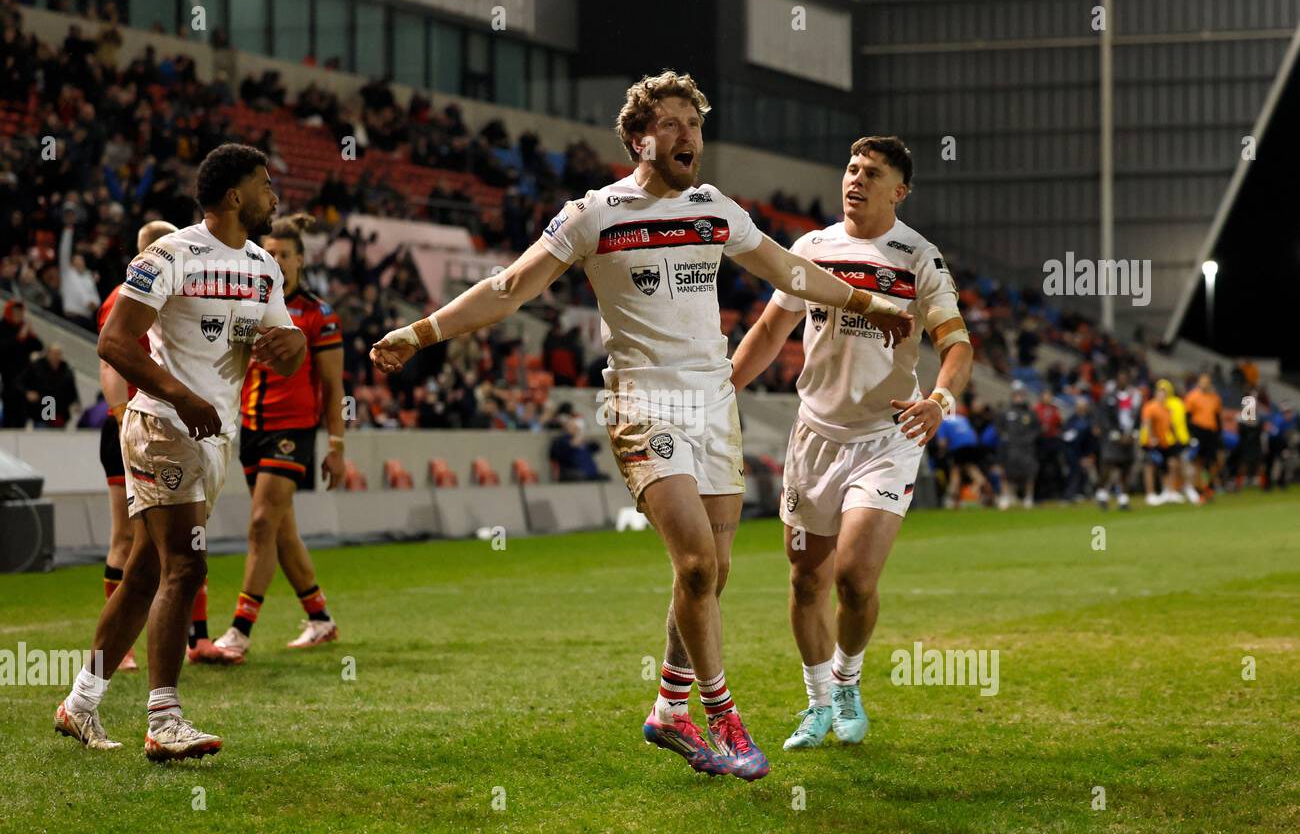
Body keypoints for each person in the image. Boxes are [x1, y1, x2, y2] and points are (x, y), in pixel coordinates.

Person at [369, 72, 913, 780]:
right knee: (692, 563)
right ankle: (722, 717)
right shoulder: (593, 214)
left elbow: (788, 270)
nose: (690, 135)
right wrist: (421, 331)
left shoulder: (714, 209)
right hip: (642, 403)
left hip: (714, 403)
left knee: (711, 575)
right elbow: (509, 288)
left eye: (695, 122)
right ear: (638, 138)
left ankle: (668, 708)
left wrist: (867, 305)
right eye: (674, 124)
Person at [54, 143, 305, 760]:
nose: (274, 196)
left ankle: (79, 704)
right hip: (163, 422)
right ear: (234, 196)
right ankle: (164, 720)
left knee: (143, 574)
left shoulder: (262, 267)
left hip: (213, 436)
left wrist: (287, 347)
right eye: (264, 184)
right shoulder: (169, 254)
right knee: (185, 568)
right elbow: (115, 342)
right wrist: (181, 396)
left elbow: (289, 342)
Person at [729, 135, 972, 750]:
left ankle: (846, 683)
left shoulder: (919, 257)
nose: (855, 180)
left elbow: (957, 346)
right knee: (806, 577)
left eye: (871, 173)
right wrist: (723, 387)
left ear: (900, 190)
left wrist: (939, 401)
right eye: (851, 168)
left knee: (855, 578)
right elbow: (768, 329)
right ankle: (814, 703)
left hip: (885, 437)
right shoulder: (810, 250)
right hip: (815, 435)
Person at [96, 220, 234, 669]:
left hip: (177, 424)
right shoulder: (126, 295)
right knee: (155, 549)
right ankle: (143, 677)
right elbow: (112, 359)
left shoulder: (186, 293)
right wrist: (120, 418)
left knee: (166, 551)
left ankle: (197, 638)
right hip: (142, 423)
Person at [212, 213, 346, 661]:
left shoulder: (318, 314)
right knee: (282, 532)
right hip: (250, 427)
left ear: (301, 261)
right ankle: (320, 618)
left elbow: (333, 387)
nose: (277, 260)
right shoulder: (246, 305)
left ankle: (239, 631)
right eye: (270, 253)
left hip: (292, 429)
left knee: (262, 523)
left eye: (285, 254)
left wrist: (337, 447)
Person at [1096, 370, 1140, 510]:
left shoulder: (1134, 397)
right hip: (1112, 436)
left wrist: (1133, 433)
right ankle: (1102, 493)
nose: (1123, 381)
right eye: (1120, 379)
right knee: (1108, 464)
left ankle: (1123, 498)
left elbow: (1137, 417)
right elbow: (1104, 417)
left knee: (1126, 467)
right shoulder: (1109, 397)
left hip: (1128, 436)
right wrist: (1114, 433)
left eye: (1125, 379)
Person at [996, 381, 1041, 509]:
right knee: (1008, 473)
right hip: (1010, 448)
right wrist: (1005, 437)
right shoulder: (1005, 412)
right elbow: (999, 428)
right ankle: (1008, 496)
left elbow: (1036, 429)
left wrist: (1029, 439)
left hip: (1027, 448)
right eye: (1017, 394)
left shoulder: (1030, 413)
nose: (1019, 397)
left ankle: (1028, 497)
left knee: (1029, 473)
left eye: (1021, 394)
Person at [1183, 372, 1223, 497]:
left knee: (1215, 460)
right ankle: (1199, 487)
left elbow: (1217, 417)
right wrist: (1191, 434)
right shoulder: (1192, 397)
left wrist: (1218, 433)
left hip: (1211, 431)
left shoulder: (1215, 397)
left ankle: (1208, 484)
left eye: (1207, 382)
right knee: (1198, 461)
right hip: (1198, 430)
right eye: (1203, 382)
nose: (1205, 384)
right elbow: (1187, 417)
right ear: (1199, 383)